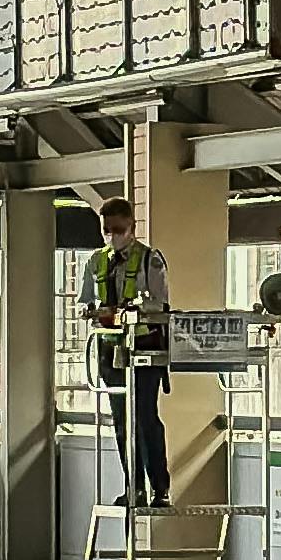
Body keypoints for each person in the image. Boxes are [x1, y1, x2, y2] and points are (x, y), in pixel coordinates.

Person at [84, 191, 173, 525]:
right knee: (122, 421)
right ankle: (133, 485)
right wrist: (95, 312)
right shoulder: (97, 261)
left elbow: (160, 305)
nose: (112, 236)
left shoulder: (150, 259)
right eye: (107, 230)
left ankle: (159, 488)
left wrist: (128, 312)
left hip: (145, 348)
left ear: (131, 226)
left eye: (117, 229)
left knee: (145, 418)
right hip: (111, 351)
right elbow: (86, 302)